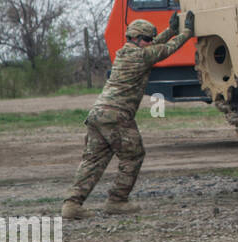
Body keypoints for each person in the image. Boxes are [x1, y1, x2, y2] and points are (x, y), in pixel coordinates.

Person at [62, 12, 194, 219]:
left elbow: (153, 46)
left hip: (97, 114)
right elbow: (166, 49)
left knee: (93, 160)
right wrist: (186, 33)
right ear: (138, 39)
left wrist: (170, 31)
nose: (150, 42)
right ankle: (117, 201)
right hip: (117, 115)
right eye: (147, 39)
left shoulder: (124, 53)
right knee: (133, 155)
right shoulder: (141, 56)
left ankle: (72, 205)